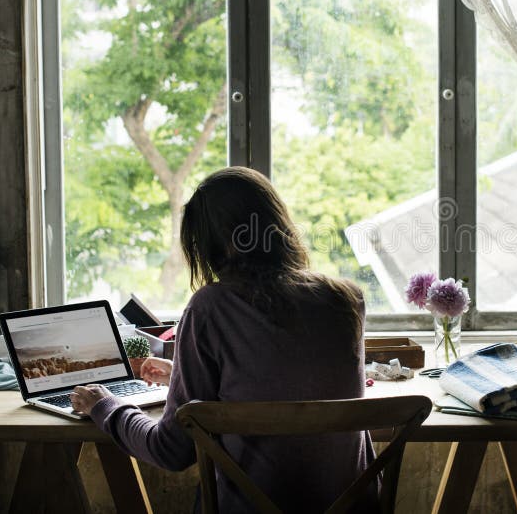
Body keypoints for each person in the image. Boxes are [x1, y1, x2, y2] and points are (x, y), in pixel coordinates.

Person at [70, 166, 378, 513]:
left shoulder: (211, 308)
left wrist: (105, 405)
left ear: (214, 245)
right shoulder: (346, 299)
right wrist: (184, 374)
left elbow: (170, 450)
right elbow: (292, 382)